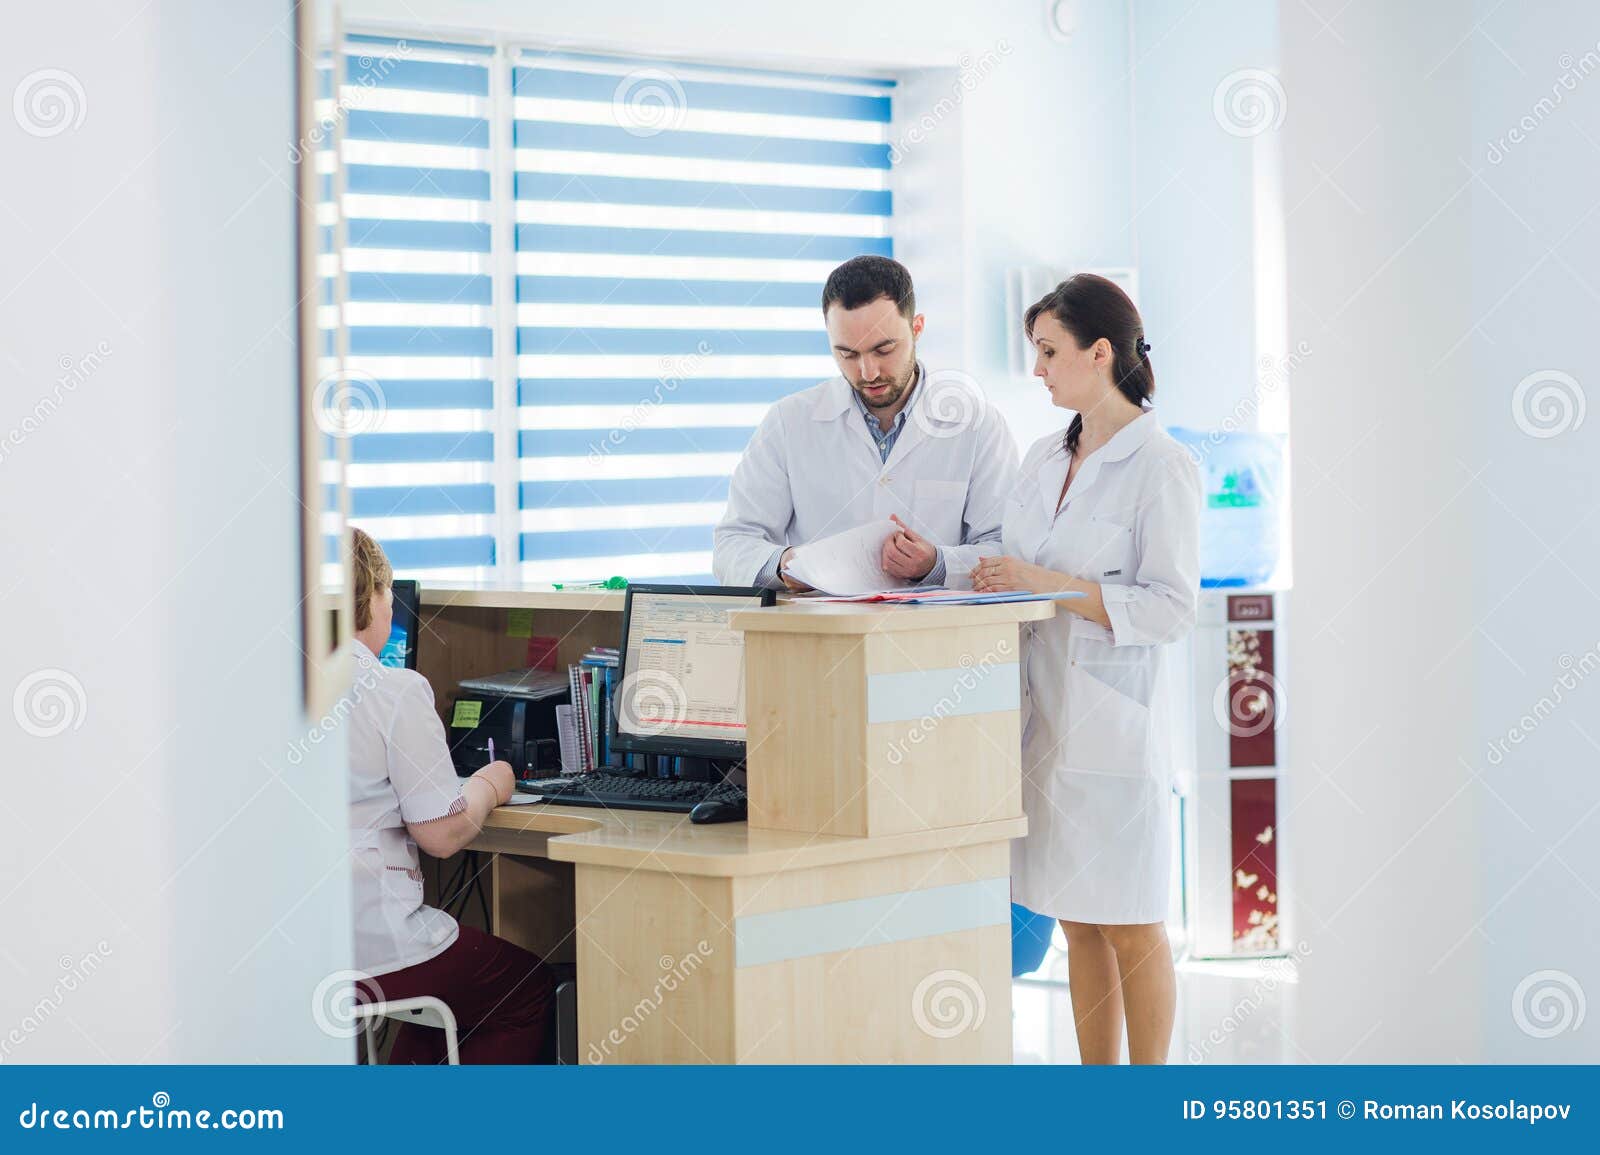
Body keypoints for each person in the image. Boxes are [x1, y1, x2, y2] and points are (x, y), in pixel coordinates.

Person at [971, 274, 1200, 1064]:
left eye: (1048, 351)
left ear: (1099, 352)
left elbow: (1170, 606)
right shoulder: (1043, 456)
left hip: (1116, 727)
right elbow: (1011, 560)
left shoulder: (1161, 465)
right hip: (1045, 722)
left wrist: (1047, 586)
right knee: (1076, 919)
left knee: (1132, 920)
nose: (1037, 368)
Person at [345, 527, 555, 1063]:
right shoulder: (390, 691)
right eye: (387, 597)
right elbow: (442, 835)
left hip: (283, 950)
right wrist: (490, 783)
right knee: (524, 988)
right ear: (368, 597)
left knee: (458, 993)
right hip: (366, 944)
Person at [713, 255, 1017, 590]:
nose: (867, 372)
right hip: (825, 636)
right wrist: (788, 566)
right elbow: (732, 546)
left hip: (936, 636)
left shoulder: (978, 425)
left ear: (917, 328)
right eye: (848, 354)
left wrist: (937, 563)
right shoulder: (789, 421)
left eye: (883, 350)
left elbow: (1007, 548)